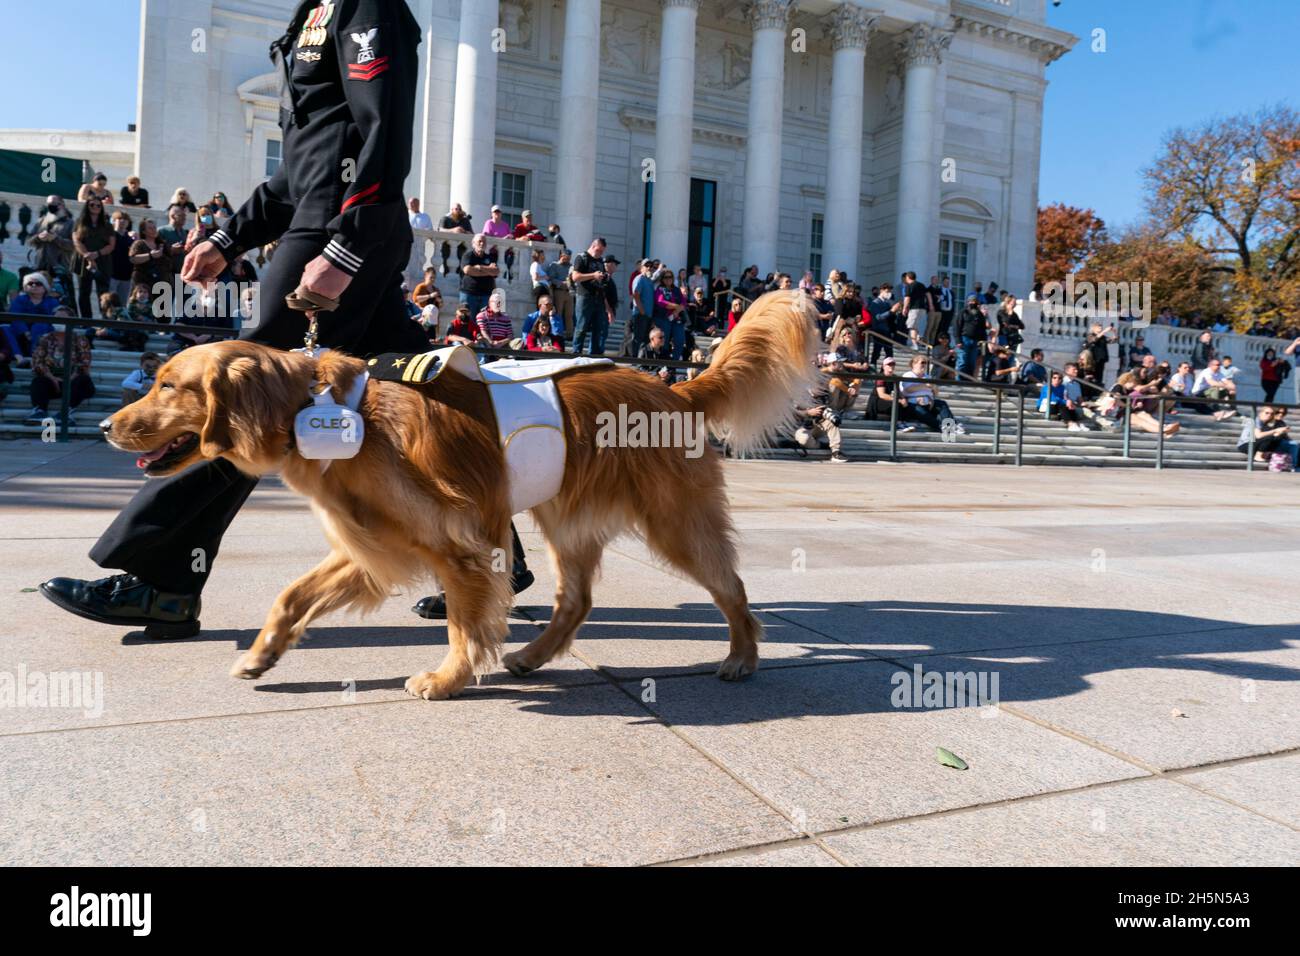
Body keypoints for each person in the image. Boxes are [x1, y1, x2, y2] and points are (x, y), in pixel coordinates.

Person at [42, 0, 530, 640]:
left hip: (338, 233)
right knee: (426, 385)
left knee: (244, 398)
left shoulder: (365, 5)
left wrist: (346, 247)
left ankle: (161, 581)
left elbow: (383, 131)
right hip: (325, 224)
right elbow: (306, 164)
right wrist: (229, 237)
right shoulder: (315, 13)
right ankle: (500, 559)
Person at [26, 321, 96, 424]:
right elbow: (37, 362)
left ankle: (65, 412)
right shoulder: (45, 339)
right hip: (53, 380)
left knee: (83, 380)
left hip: (73, 379)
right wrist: (53, 379)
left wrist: (69, 379)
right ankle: (39, 411)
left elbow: (84, 363)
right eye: (57, 317)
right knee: (38, 381)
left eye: (64, 317)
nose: (60, 320)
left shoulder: (80, 339)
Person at [898, 353, 965, 434]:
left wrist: (933, 387)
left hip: (928, 403)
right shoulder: (908, 375)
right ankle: (940, 426)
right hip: (913, 404)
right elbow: (908, 389)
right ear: (914, 364)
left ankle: (951, 425)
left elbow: (936, 393)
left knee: (941, 404)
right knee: (919, 410)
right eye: (922, 362)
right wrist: (924, 385)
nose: (924, 365)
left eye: (925, 363)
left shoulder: (927, 376)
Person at [569, 237, 609, 355]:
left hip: (598, 297)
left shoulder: (600, 261)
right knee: (581, 327)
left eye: (602, 251)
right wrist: (593, 275)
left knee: (598, 328)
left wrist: (605, 277)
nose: (600, 253)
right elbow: (575, 277)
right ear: (592, 246)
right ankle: (576, 353)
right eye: (599, 250)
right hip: (584, 296)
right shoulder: (582, 257)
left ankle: (594, 354)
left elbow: (599, 277)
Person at [28, 195, 76, 290]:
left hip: (60, 268)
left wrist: (55, 238)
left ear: (62, 205)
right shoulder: (41, 221)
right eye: (48, 204)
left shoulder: (71, 223)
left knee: (64, 299)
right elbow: (29, 241)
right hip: (40, 266)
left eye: (53, 203)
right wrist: (39, 237)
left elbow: (74, 245)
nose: (50, 206)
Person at [652, 264, 688, 360]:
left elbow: (684, 302)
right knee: (665, 341)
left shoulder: (676, 289)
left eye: (670, 277)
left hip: (676, 319)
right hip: (663, 319)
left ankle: (674, 362)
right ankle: (663, 362)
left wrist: (677, 310)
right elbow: (661, 302)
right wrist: (676, 306)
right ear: (662, 279)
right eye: (666, 277)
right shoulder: (659, 289)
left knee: (680, 340)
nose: (668, 279)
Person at [459, 233, 498, 317]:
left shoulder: (490, 258)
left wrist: (479, 267)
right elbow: (467, 270)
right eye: (479, 241)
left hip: (486, 295)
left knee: (484, 323)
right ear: (473, 243)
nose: (482, 243)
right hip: (469, 294)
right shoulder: (468, 256)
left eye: (484, 241)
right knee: (468, 322)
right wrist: (488, 270)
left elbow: (495, 272)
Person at [436, 202, 472, 275]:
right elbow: (440, 230)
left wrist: (464, 231)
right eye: (456, 209)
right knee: (448, 270)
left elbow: (472, 234)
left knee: (461, 271)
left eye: (459, 209)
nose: (458, 210)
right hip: (447, 249)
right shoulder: (445, 219)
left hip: (461, 249)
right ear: (452, 210)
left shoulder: (465, 221)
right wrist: (453, 230)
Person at [900, 270, 931, 350]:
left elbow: (907, 298)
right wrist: (930, 305)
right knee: (916, 325)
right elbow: (928, 294)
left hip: (914, 308)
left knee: (911, 326)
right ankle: (918, 338)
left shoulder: (909, 286)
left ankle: (914, 344)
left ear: (908, 277)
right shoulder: (921, 285)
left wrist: (904, 308)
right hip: (922, 308)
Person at [956, 295, 985, 378]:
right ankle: (959, 380)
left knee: (972, 362)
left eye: (975, 301)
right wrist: (958, 340)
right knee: (962, 361)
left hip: (975, 341)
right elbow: (957, 326)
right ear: (968, 302)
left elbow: (982, 329)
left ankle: (968, 381)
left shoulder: (980, 314)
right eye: (971, 301)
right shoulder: (963, 312)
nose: (973, 303)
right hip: (964, 339)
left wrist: (982, 341)